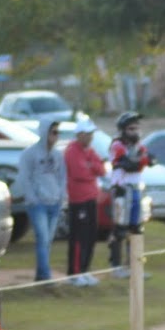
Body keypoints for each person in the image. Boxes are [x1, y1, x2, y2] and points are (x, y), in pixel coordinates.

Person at [16, 116, 66, 283]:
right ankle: (45, 276)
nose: (56, 136)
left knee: (48, 241)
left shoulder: (58, 155)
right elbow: (25, 177)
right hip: (38, 204)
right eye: (53, 132)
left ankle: (41, 273)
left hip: (54, 203)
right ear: (45, 132)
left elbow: (62, 177)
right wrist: (33, 198)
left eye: (58, 133)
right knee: (43, 238)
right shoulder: (29, 154)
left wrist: (61, 196)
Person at [106, 111, 152, 274]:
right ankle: (116, 266)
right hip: (121, 189)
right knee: (120, 228)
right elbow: (128, 164)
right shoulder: (117, 145)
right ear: (123, 130)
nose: (135, 132)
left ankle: (134, 265)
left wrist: (141, 159)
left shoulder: (139, 146)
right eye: (131, 129)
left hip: (136, 188)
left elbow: (149, 160)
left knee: (137, 227)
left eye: (137, 129)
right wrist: (140, 160)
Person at [63, 118, 106, 287]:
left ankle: (85, 269)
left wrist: (91, 166)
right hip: (78, 200)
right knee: (79, 237)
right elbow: (79, 172)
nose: (90, 137)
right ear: (80, 134)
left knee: (90, 236)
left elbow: (101, 169)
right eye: (88, 134)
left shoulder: (90, 151)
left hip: (91, 198)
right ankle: (74, 273)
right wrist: (91, 169)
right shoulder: (72, 151)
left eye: (91, 134)